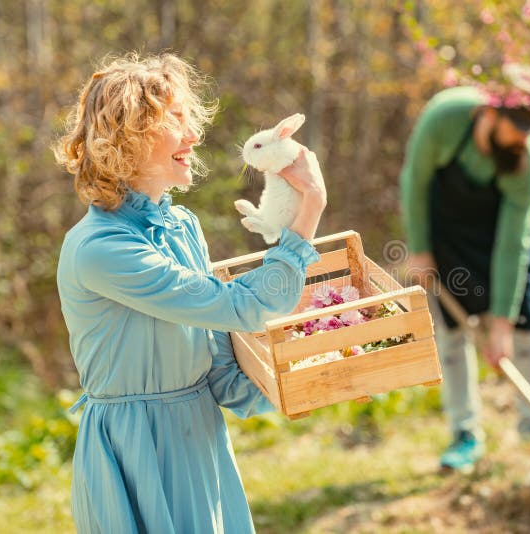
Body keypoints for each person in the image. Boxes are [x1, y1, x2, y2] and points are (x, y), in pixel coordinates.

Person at [54, 53, 326, 533]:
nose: (194, 136)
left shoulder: (182, 225)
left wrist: (319, 378)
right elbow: (244, 307)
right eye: (175, 121)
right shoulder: (101, 249)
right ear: (129, 136)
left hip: (200, 441)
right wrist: (311, 207)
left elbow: (220, 370)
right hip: (136, 451)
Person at [399, 79, 530, 473]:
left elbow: (514, 242)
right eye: (517, 130)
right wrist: (420, 249)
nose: (523, 141)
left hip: (502, 236)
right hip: (449, 233)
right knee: (453, 333)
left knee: (525, 325)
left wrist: (502, 322)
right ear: (491, 113)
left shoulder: (526, 161)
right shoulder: (444, 118)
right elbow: (414, 182)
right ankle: (465, 434)